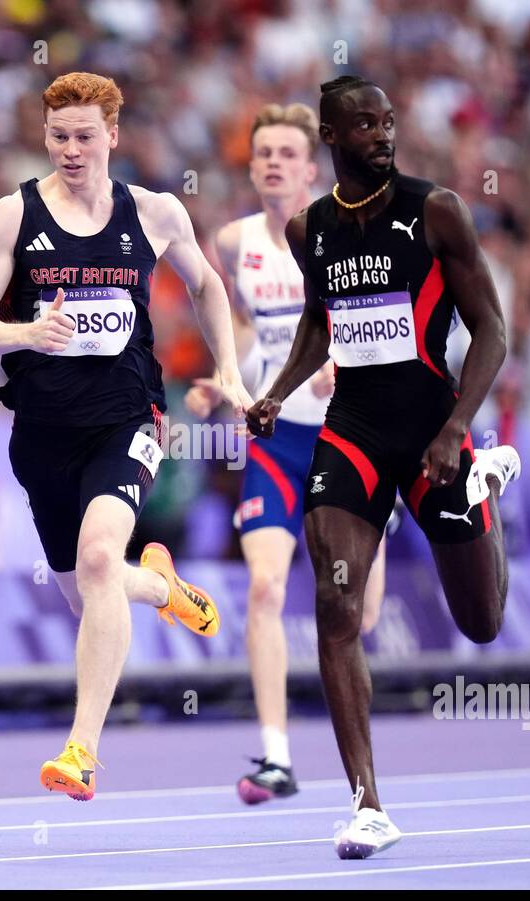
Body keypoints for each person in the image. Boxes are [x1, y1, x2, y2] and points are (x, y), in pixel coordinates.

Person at [0, 72, 252, 801]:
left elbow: (208, 286)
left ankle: (81, 751)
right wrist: (27, 331)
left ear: (114, 134)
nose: (71, 150)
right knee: (88, 589)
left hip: (128, 420)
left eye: (85, 136)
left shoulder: (153, 213)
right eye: (58, 137)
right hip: (42, 434)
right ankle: (160, 586)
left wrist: (231, 373)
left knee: (94, 558)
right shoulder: (13, 216)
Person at [247, 76, 522, 858]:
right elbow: (317, 322)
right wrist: (275, 393)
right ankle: (368, 803)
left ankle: (486, 478)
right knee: (334, 607)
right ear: (333, 136)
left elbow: (492, 330)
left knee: (482, 624)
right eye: (364, 124)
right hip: (354, 433)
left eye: (388, 120)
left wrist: (461, 427)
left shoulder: (436, 210)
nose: (382, 133)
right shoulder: (312, 230)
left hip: (437, 428)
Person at [185, 103, 392, 805]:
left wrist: (347, 365)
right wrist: (222, 383)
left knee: (357, 615)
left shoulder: (348, 235)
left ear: (312, 168)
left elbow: (387, 330)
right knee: (267, 588)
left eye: (286, 153)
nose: (273, 162)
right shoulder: (233, 241)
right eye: (262, 152)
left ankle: (379, 524)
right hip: (274, 444)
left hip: (348, 438)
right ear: (252, 167)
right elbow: (241, 333)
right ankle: (276, 757)